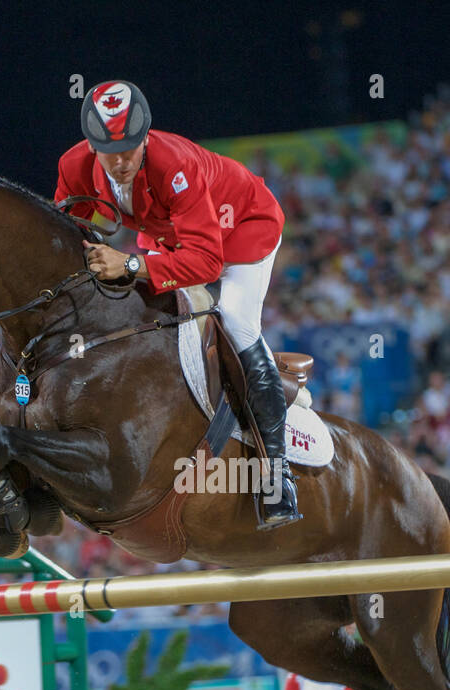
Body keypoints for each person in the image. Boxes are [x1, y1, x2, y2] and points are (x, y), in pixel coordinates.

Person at [54, 80, 300, 527]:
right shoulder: (74, 166)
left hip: (243, 229)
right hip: (171, 234)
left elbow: (207, 263)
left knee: (235, 321)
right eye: (110, 151)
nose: (122, 161)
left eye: (131, 147)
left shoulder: (174, 165)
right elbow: (67, 239)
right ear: (90, 146)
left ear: (146, 136)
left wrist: (130, 265)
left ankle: (276, 472)